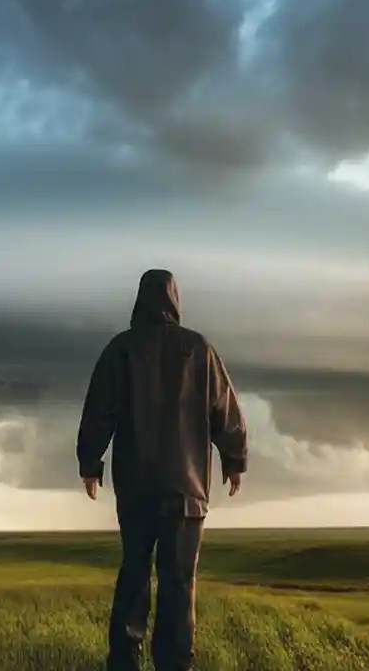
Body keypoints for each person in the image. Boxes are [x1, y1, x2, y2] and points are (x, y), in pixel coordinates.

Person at [77, 269, 249, 671]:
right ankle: (175, 665)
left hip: (136, 489)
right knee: (178, 584)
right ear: (175, 301)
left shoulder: (121, 349)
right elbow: (225, 408)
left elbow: (99, 409)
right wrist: (235, 458)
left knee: (134, 576)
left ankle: (124, 663)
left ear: (139, 300)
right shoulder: (200, 349)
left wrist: (90, 462)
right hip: (185, 492)